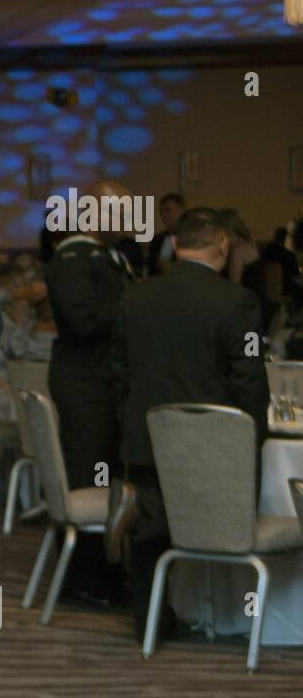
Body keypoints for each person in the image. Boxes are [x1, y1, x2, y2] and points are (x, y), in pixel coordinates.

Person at [111, 207, 269, 641]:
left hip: (146, 443)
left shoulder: (134, 297)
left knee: (150, 533)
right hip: (214, 449)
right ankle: (233, 617)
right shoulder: (238, 303)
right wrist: (254, 437)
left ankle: (150, 624)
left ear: (176, 246)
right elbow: (250, 375)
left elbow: (119, 373)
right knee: (217, 525)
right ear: (223, 245)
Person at [43, 179, 135, 604]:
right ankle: (81, 580)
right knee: (89, 474)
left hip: (104, 383)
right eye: (118, 212)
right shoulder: (74, 257)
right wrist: (137, 310)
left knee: (107, 474)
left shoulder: (109, 257)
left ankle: (107, 570)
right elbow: (81, 322)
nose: (126, 221)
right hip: (85, 385)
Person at [147, 192, 185, 277]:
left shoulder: (191, 237)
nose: (163, 215)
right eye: (161, 211)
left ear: (181, 210)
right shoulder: (159, 240)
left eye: (168, 210)